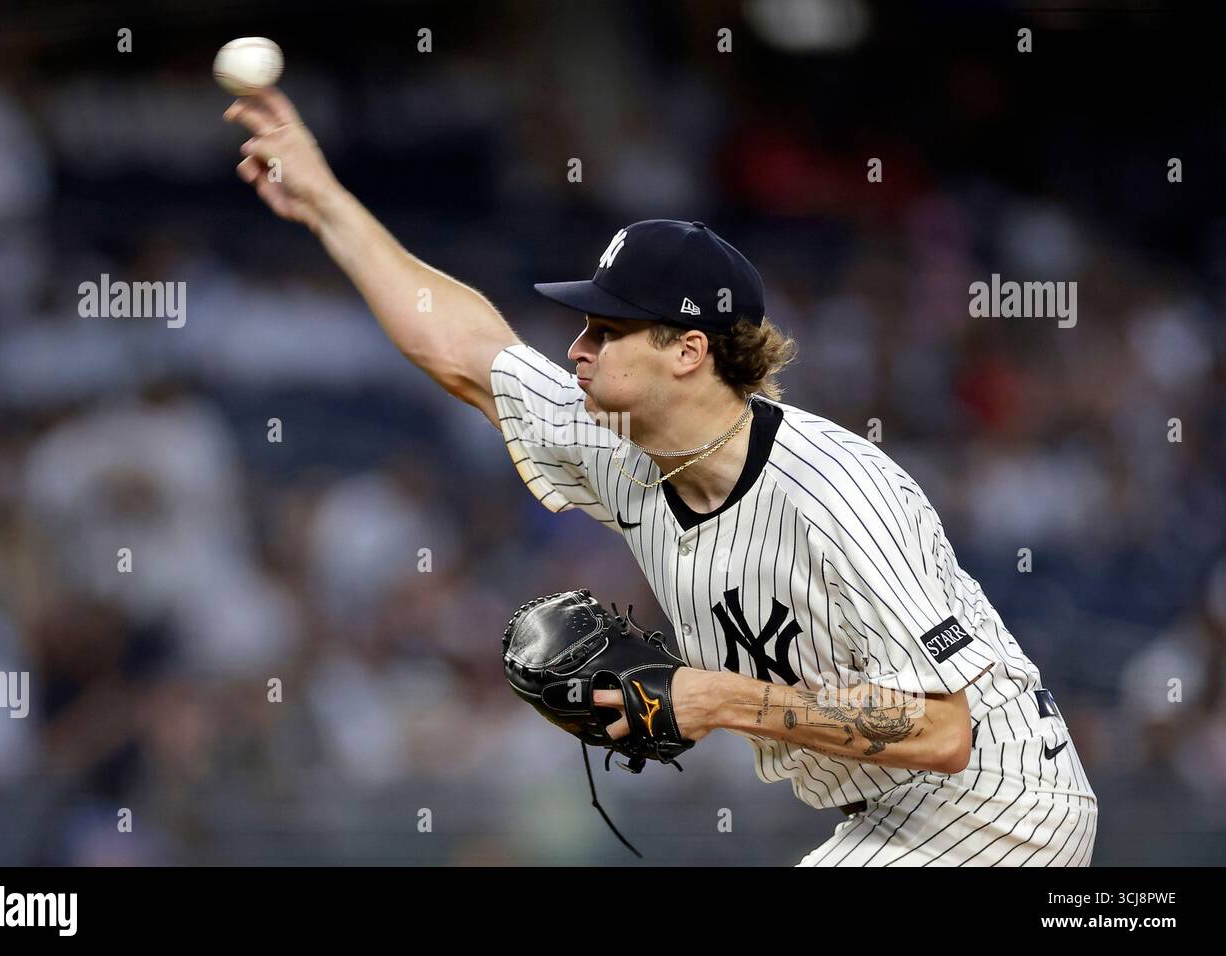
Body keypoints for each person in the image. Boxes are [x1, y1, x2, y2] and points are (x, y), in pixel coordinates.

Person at [224, 89, 1098, 866]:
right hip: (889, 817)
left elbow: (947, 730)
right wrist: (327, 204)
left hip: (1003, 806)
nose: (576, 348)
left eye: (606, 330)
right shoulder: (615, 443)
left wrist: (716, 697)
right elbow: (464, 351)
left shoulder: (838, 490)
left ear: (688, 351)